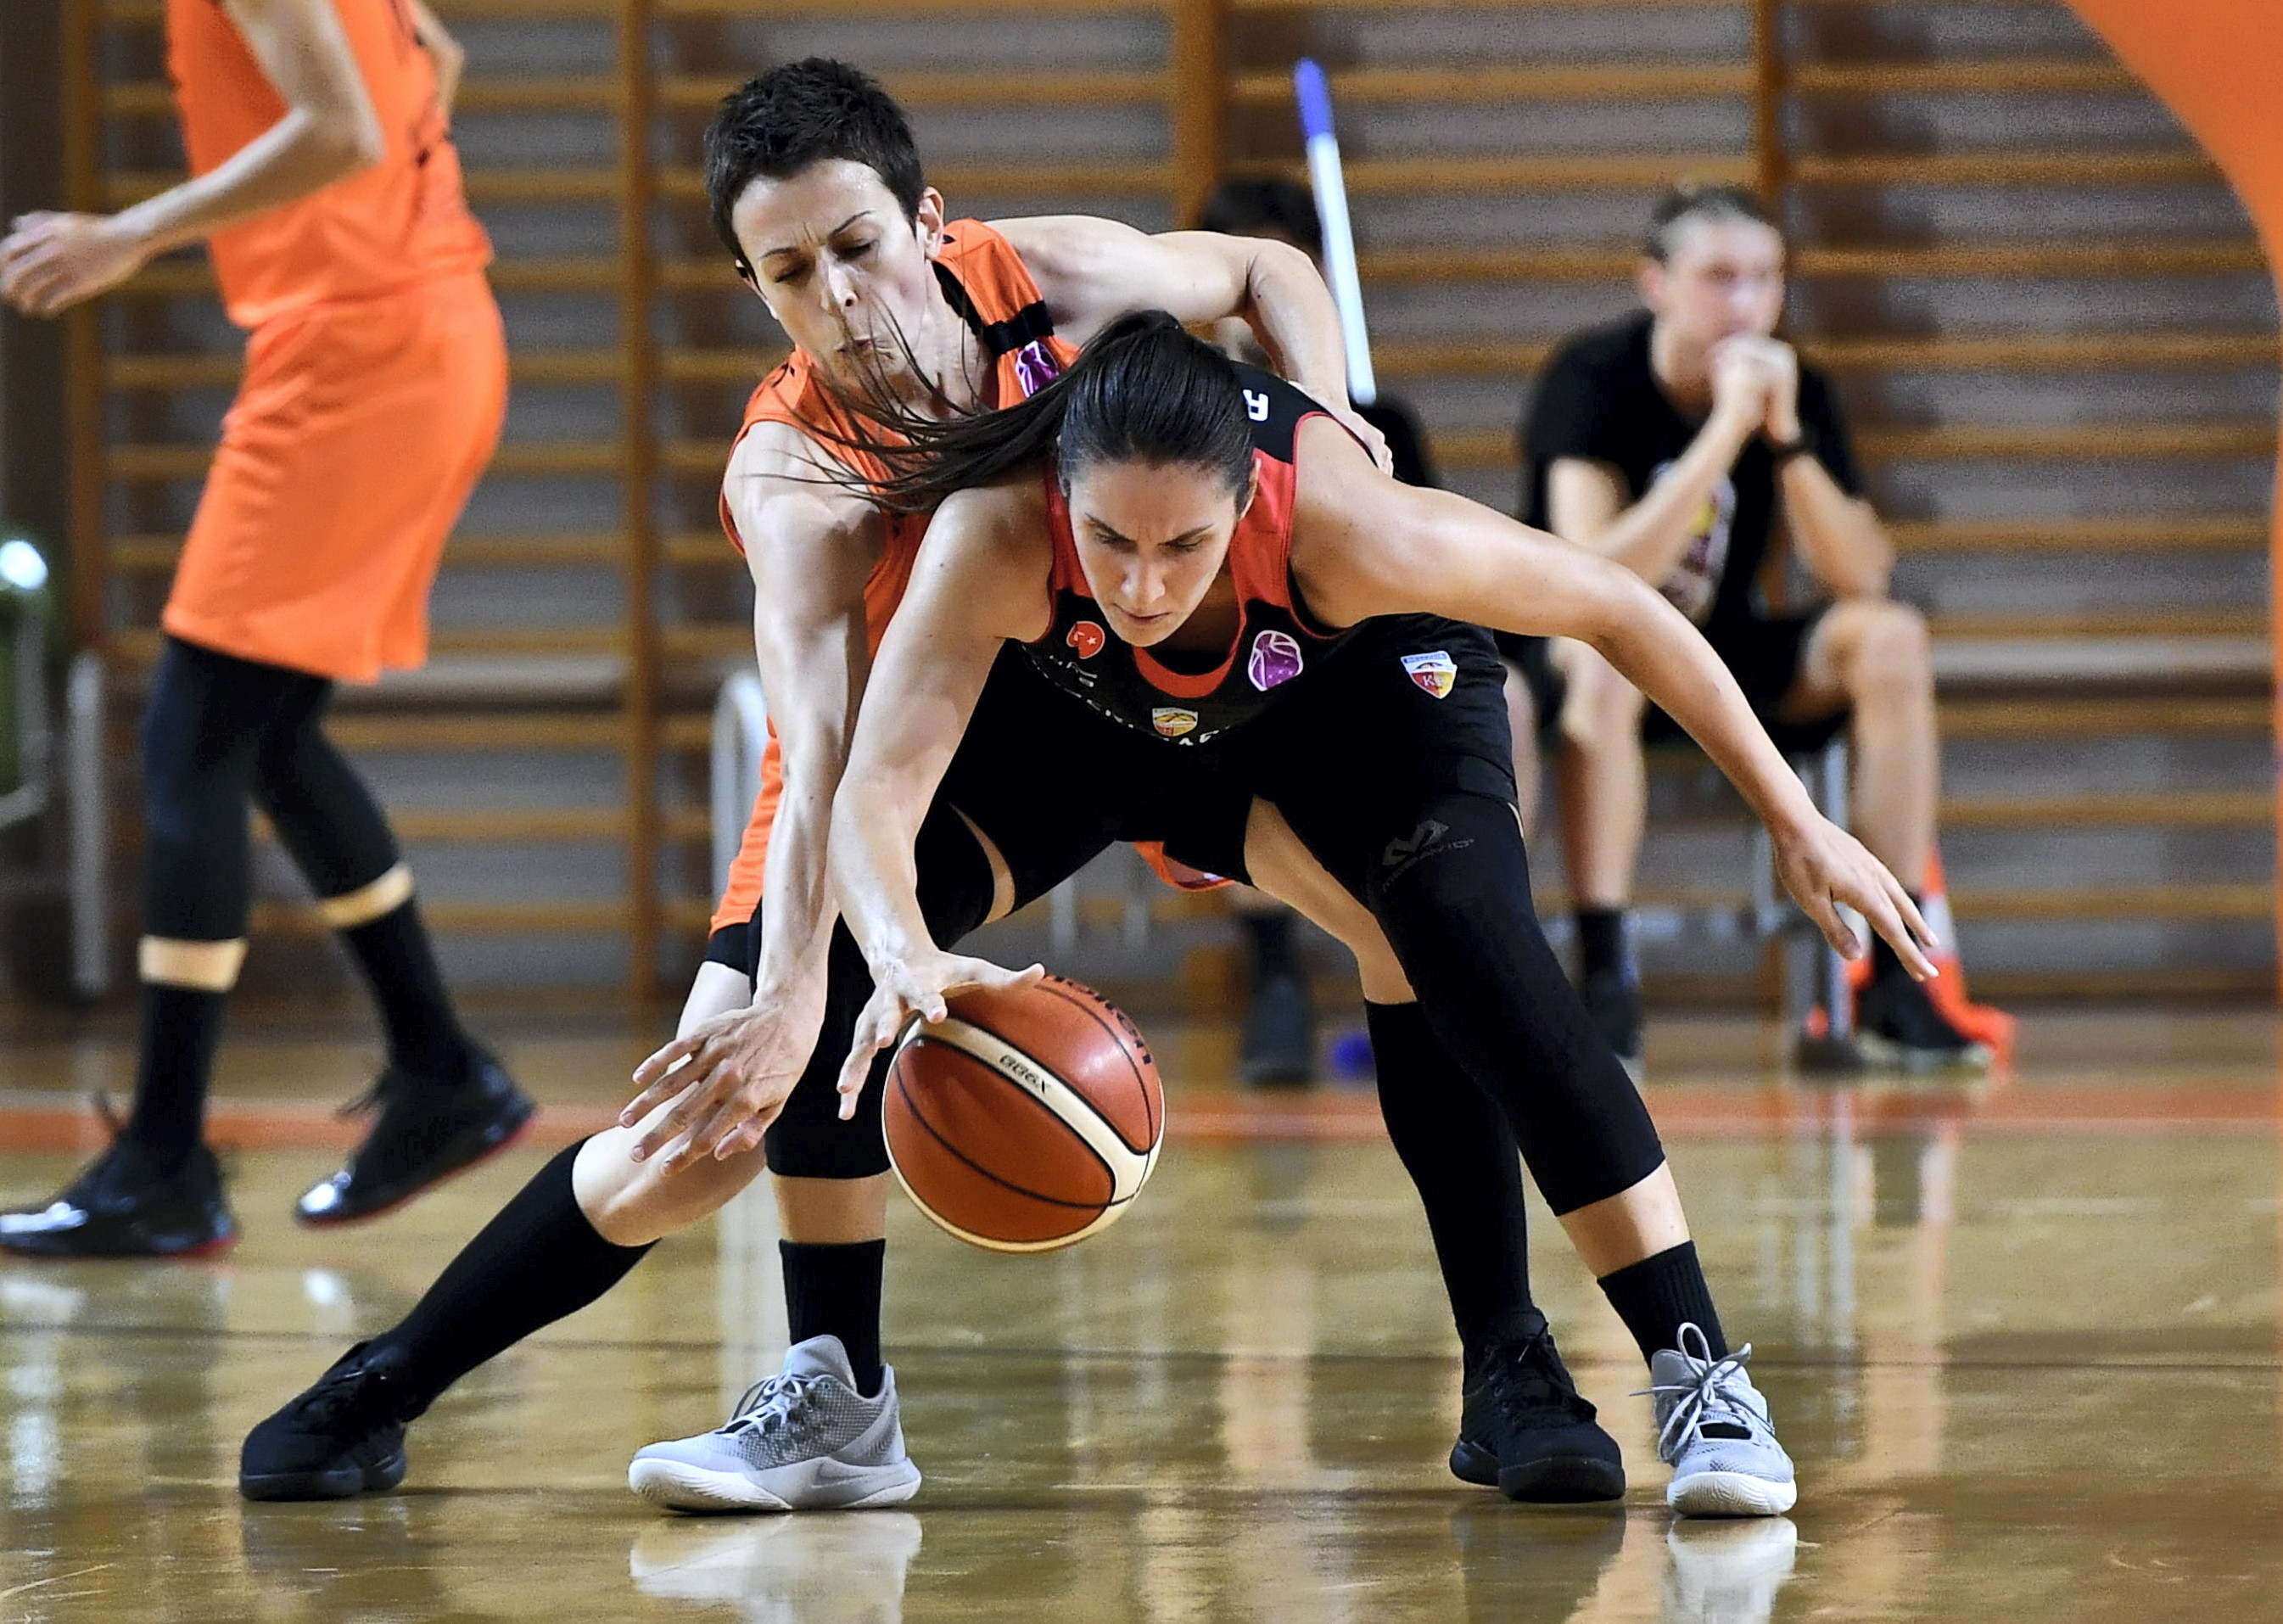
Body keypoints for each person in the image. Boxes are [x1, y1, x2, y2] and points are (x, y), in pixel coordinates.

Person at [238, 61, 1621, 1514]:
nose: (835, 295)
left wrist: (1328, 421)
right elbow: (824, 743)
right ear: (752, 286)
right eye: (787, 271)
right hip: (924, 741)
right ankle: (409, 1382)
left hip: (1124, 669)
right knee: (699, 1128)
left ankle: (1507, 1357)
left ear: (928, 221)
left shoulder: (1056, 279)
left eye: (855, 245)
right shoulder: (796, 478)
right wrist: (787, 987)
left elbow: (1268, 267)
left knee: (1412, 921)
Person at [803, 313, 1944, 1517]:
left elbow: (1617, 606)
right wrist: (902, 955)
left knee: (1462, 938)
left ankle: (1691, 1374)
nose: (1141, 582)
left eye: (1183, 543)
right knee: (830, 942)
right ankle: (828, 1395)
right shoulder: (996, 534)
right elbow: (872, 785)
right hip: (1122, 722)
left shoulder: (1350, 530)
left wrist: (1793, 819)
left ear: (1244, 506)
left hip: (1366, 691)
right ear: (1059, 496)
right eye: (1107, 540)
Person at [0, 0, 530, 1258]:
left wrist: (130, 230)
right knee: (267, 736)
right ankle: (439, 1067)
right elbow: (430, 62)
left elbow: (345, 126)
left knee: (191, 737)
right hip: (419, 327)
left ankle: (166, 1162)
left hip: (362, 352)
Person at [1504, 182, 1983, 1071]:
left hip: (1720, 647)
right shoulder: (1593, 375)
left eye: (1767, 279)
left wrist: (1788, 438)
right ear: (1657, 285)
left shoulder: (1795, 382)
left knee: (1889, 637)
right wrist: (1721, 435)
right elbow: (1593, 576)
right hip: (1583, 648)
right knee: (1611, 656)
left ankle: (1893, 974)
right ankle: (1605, 971)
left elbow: (1860, 573)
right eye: (1721, 278)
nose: (1748, 303)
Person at [1192, 176, 1441, 1085]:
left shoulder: (1378, 428)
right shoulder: (1176, 422)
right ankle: (1276, 983)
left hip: (1361, 665)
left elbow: (1424, 589)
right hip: (1231, 680)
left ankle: (1466, 935)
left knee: (1503, 707)